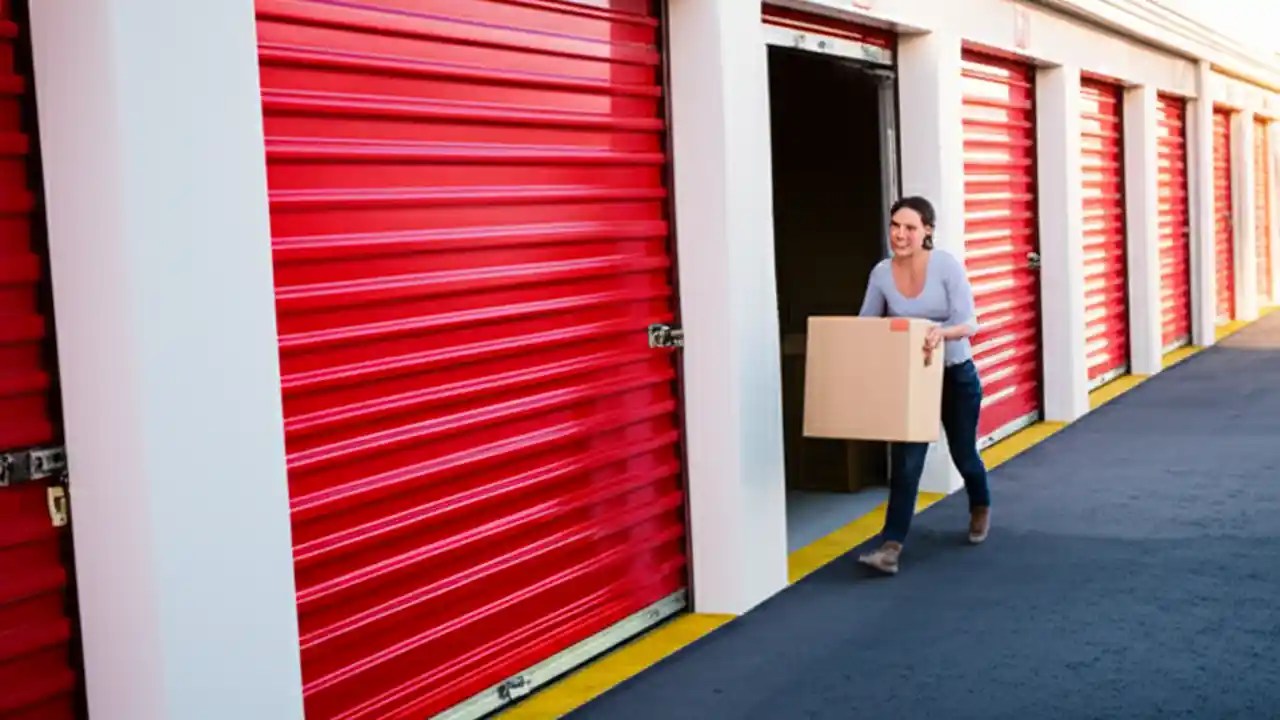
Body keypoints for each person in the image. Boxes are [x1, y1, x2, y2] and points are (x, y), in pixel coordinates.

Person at [854, 195, 991, 576]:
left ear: (927, 230)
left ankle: (980, 504)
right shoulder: (881, 274)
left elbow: (969, 323)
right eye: (895, 226)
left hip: (955, 374)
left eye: (910, 227)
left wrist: (939, 333)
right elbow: (866, 323)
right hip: (913, 379)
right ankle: (891, 546)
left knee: (964, 453)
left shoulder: (945, 266)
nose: (900, 234)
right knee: (907, 462)